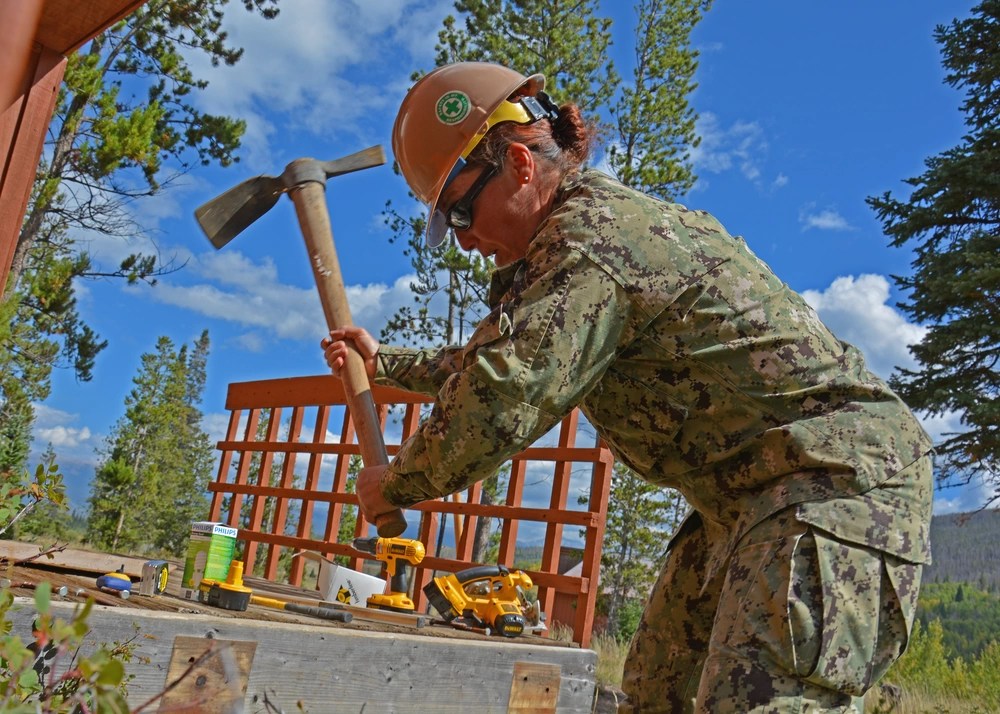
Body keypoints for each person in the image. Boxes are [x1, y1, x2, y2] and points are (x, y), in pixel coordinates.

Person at [320, 61, 933, 713]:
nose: (463, 240)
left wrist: (400, 480)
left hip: (837, 490)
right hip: (749, 503)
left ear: (521, 167)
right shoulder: (569, 259)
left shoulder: (591, 245)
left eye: (462, 210)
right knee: (657, 691)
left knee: (757, 701)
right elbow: (502, 358)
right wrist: (385, 364)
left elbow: (504, 394)